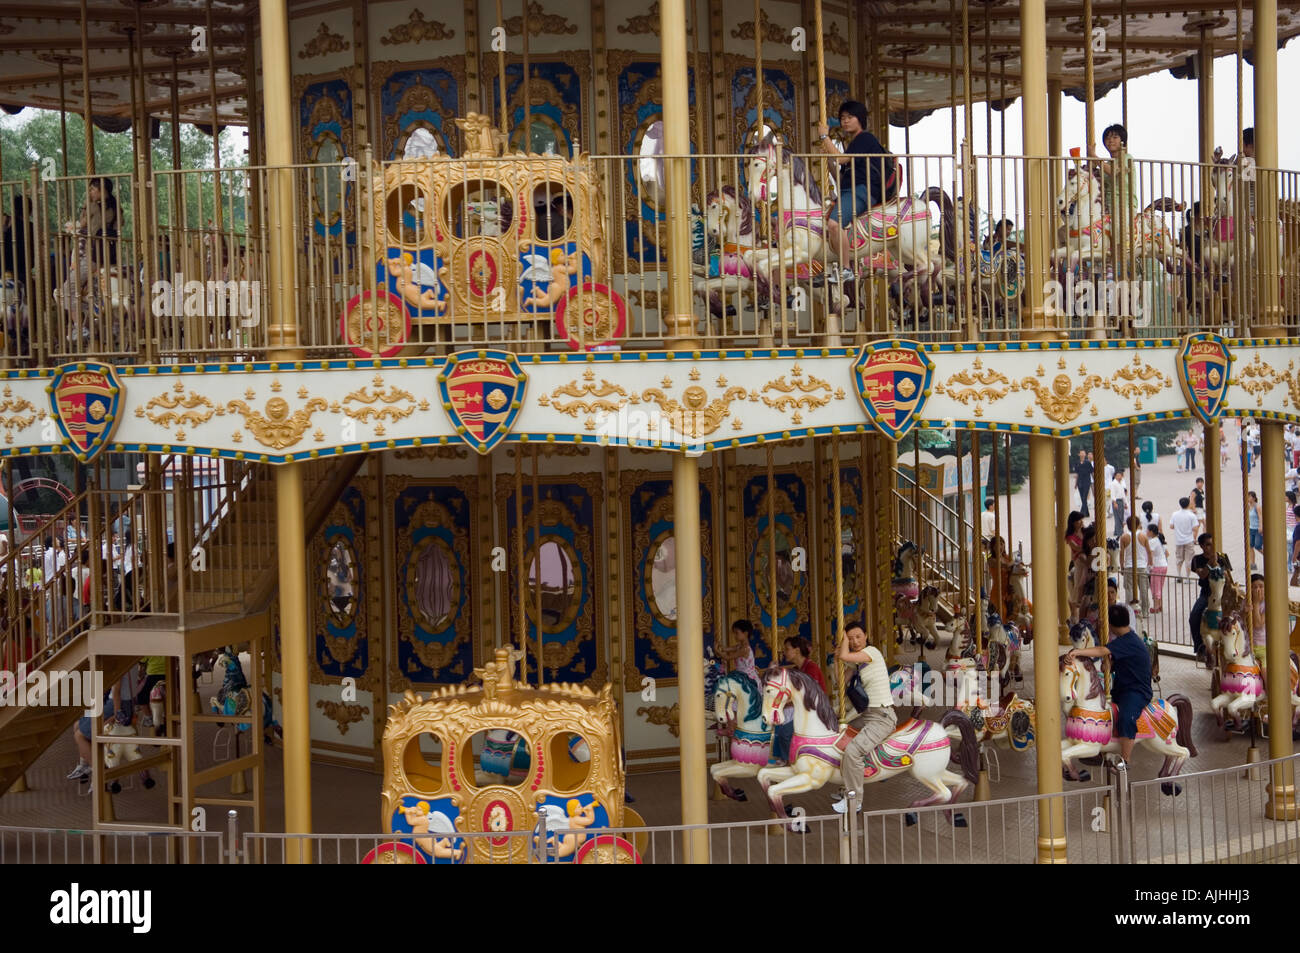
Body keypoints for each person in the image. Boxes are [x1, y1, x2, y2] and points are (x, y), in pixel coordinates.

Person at [1065, 606, 1160, 782]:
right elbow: (1116, 660)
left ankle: (1125, 760)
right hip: (1123, 688)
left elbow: (1102, 651)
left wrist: (1077, 652)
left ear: (1112, 625)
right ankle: (1100, 746)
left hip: (1137, 691)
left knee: (1126, 717)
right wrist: (1110, 665)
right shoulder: (1125, 638)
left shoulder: (1128, 640)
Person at [816, 101, 897, 274]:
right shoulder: (854, 144)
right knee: (823, 224)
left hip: (862, 191)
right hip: (849, 191)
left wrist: (825, 137)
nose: (845, 121)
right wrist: (829, 157)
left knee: (833, 224)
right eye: (842, 118)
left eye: (850, 117)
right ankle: (829, 268)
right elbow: (840, 175)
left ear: (860, 119)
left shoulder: (865, 138)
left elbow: (843, 160)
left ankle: (846, 268)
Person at [832, 619, 896, 814]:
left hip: (882, 717)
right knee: (837, 734)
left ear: (866, 636)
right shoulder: (859, 665)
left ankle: (855, 800)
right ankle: (846, 785)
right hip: (867, 715)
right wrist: (836, 660)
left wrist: (841, 639)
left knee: (853, 751)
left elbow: (845, 654)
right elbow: (839, 681)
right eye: (850, 639)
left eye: (858, 637)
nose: (855, 641)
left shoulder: (872, 653)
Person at [1189, 533, 1233, 661]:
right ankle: (1200, 647)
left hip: (1223, 592)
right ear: (1202, 546)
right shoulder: (1197, 559)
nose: (1211, 547)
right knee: (1194, 616)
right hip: (1207, 593)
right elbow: (1202, 575)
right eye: (1208, 545)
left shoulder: (1223, 557)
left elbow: (1229, 576)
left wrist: (1222, 570)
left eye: (1212, 544)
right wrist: (1210, 563)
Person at [1119, 515, 1151, 618]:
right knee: (1144, 590)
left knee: (1129, 590)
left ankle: (1129, 612)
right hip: (1141, 566)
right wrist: (1150, 564)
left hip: (1129, 566)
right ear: (1138, 524)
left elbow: (1121, 553)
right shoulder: (1143, 536)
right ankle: (1145, 611)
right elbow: (1149, 552)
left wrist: (1122, 566)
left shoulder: (1124, 537)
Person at [718, 618, 759, 683]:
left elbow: (728, 657)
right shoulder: (739, 646)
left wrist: (717, 651)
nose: (735, 636)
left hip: (747, 678)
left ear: (745, 633)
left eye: (737, 633)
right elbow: (725, 649)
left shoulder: (744, 649)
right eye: (734, 633)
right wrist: (718, 645)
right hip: (740, 674)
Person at [1065, 512, 1086, 622]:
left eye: (1082, 520)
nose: (1081, 522)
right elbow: (1077, 548)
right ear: (1073, 522)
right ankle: (1074, 614)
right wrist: (1088, 547)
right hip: (1078, 562)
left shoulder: (1085, 532)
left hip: (1087, 560)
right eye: (1079, 520)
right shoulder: (1070, 536)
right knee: (1078, 586)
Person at [1171, 499, 1200, 578]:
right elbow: (1195, 528)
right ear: (1188, 505)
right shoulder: (1191, 515)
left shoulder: (1175, 514)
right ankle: (1187, 577)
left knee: (1179, 559)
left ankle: (1179, 575)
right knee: (1189, 560)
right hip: (1189, 540)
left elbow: (1171, 526)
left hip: (1178, 540)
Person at [1147, 523, 1169, 613]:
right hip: (1164, 565)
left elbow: (1150, 554)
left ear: (1151, 532)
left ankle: (1156, 607)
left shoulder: (1152, 541)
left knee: (1155, 586)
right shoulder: (1160, 540)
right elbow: (1167, 553)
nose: (1146, 532)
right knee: (1160, 586)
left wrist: (1150, 566)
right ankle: (1160, 605)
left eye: (1148, 530)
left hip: (1157, 566)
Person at [1248, 573, 1267, 666]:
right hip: (1248, 645)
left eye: (1261, 586)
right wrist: (1244, 612)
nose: (1257, 590)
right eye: (1254, 587)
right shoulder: (1246, 601)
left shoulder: (1268, 604)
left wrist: (1256, 603)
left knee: (1264, 670)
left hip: (1264, 646)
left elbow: (1258, 624)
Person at [1108, 469, 1128, 540]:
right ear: (1115, 476)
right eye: (1117, 475)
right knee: (1118, 516)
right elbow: (1112, 494)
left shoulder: (1121, 483)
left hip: (1121, 500)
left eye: (1120, 475)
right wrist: (1114, 502)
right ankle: (1119, 531)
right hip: (1116, 501)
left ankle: (1117, 531)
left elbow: (1123, 495)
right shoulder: (1113, 484)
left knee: (1121, 516)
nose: (1119, 477)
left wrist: (1125, 503)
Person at [1247, 491, 1263, 572]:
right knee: (1250, 546)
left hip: (1257, 529)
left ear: (1253, 498)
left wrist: (1261, 527)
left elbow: (1260, 517)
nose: (1248, 498)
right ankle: (1252, 564)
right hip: (1251, 528)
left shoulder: (1257, 507)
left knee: (1258, 546)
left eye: (1249, 497)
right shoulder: (1248, 506)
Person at [1074, 449, 1093, 517]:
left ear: (1085, 455)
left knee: (1084, 497)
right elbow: (1077, 474)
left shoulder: (1088, 462)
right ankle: (1086, 513)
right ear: (1079, 454)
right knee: (1082, 497)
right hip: (1080, 482)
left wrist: (1094, 481)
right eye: (1081, 453)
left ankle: (1082, 513)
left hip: (1087, 481)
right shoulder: (1077, 463)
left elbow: (1092, 472)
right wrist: (1076, 483)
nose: (1082, 454)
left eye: (1083, 453)